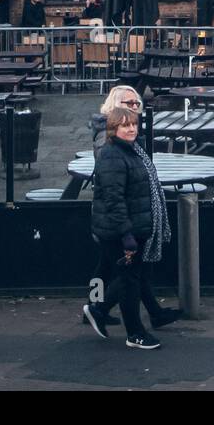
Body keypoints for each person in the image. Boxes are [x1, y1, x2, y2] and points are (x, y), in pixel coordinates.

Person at [82, 108, 179, 349]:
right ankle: (133, 332)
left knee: (129, 279)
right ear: (113, 129)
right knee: (128, 280)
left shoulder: (132, 150)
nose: (132, 129)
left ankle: (101, 311)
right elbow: (114, 199)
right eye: (125, 125)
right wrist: (126, 234)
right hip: (120, 231)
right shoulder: (113, 156)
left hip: (133, 227)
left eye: (134, 125)